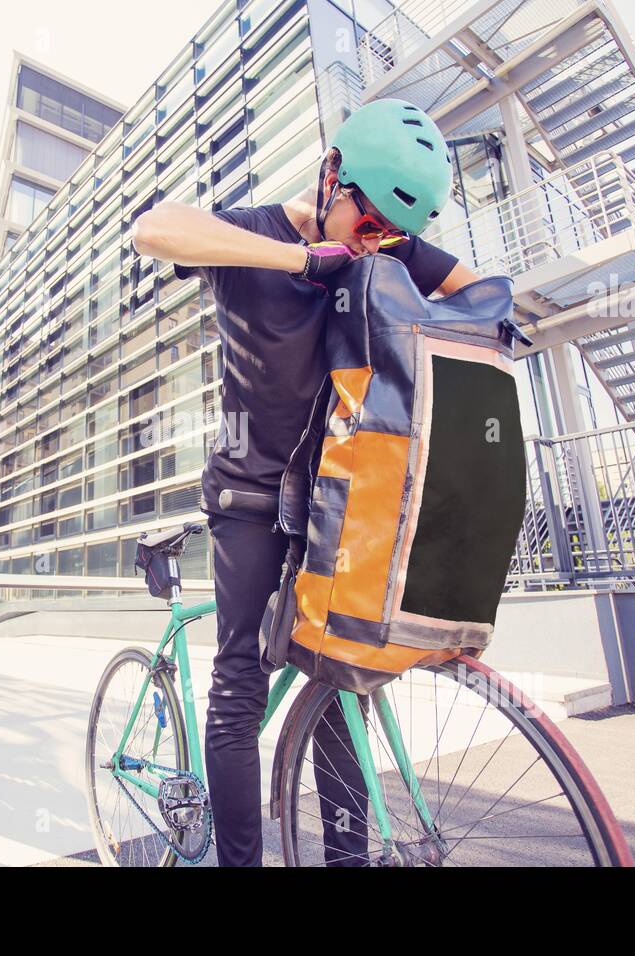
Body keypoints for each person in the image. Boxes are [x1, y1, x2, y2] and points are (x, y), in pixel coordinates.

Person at [131, 99, 480, 866]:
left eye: (393, 235)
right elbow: (153, 229)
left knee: (341, 674)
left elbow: (477, 293)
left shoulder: (382, 241)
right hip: (248, 496)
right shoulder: (252, 232)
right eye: (369, 227)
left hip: (333, 501)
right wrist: (301, 261)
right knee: (239, 687)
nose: (378, 244)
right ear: (332, 178)